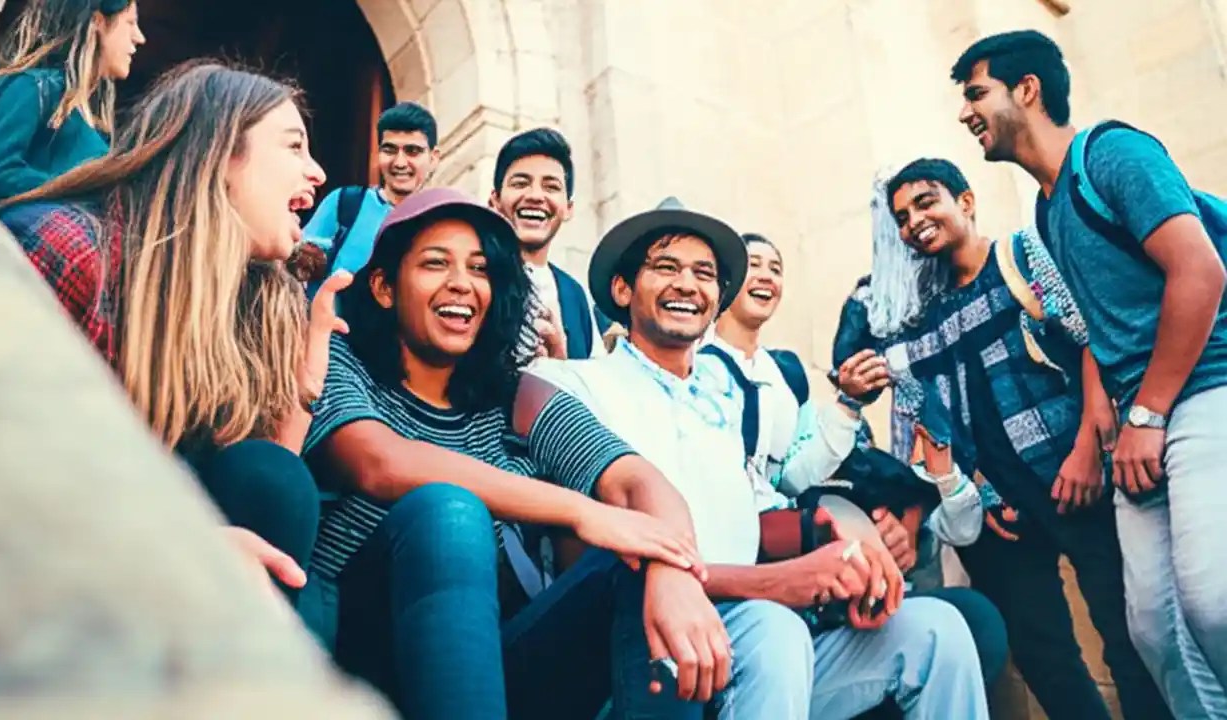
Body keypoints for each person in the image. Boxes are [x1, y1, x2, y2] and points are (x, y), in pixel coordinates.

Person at [533, 197, 990, 719]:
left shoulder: (723, 401)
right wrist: (782, 583)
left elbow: (762, 508)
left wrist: (846, 543)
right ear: (622, 289)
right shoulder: (575, 385)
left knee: (938, 631)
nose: (687, 284)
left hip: (755, 638)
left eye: (704, 273)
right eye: (666, 267)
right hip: (644, 637)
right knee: (774, 629)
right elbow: (588, 555)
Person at [298, 187, 728, 720]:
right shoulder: (342, 358)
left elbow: (637, 480)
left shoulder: (516, 396)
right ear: (385, 287)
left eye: (480, 269)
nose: (462, 283)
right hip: (351, 658)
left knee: (641, 572)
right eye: (435, 263)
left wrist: (673, 569)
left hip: (478, 669)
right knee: (449, 512)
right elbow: (379, 463)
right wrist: (583, 512)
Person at [952, 29, 1227, 716]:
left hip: (1202, 392)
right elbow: (1098, 331)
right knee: (1155, 632)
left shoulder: (1114, 154)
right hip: (1140, 427)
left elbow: (1200, 272)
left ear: (1027, 89)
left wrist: (1148, 413)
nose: (965, 113)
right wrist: (1110, 418)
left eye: (977, 93)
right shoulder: (1047, 213)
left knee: (1214, 603)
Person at [0, 61, 337, 605]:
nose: (317, 172)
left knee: (270, 477)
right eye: (294, 146)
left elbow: (271, 489)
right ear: (220, 155)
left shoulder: (245, 307)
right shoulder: (69, 250)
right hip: (25, 577)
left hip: (136, 580)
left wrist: (307, 375)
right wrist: (174, 547)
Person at [864, 157, 1171, 719]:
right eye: (902, 217)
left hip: (1074, 478)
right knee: (1042, 655)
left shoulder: (1025, 255)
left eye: (926, 203)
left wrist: (1088, 449)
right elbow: (924, 415)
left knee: (1129, 635)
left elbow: (1090, 336)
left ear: (966, 201)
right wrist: (973, 492)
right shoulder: (917, 316)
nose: (914, 223)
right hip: (995, 517)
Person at [706, 232, 1007, 691]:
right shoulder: (697, 365)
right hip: (737, 559)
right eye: (754, 264)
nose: (766, 275)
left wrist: (849, 406)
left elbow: (794, 477)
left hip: (793, 541)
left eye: (776, 267)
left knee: (967, 623)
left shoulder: (783, 377)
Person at [0, 0, 146, 206]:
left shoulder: (96, 123)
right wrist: (74, 188)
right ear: (98, 22)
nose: (139, 37)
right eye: (130, 23)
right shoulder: (32, 87)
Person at [489, 128, 603, 360]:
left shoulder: (575, 295)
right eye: (520, 183)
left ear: (568, 208)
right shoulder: (476, 278)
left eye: (551, 187)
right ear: (495, 200)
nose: (535, 196)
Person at [300, 102, 440, 290]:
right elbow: (298, 265)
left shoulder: (441, 223)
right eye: (389, 150)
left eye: (412, 151)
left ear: (433, 158)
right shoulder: (346, 204)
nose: (399, 162)